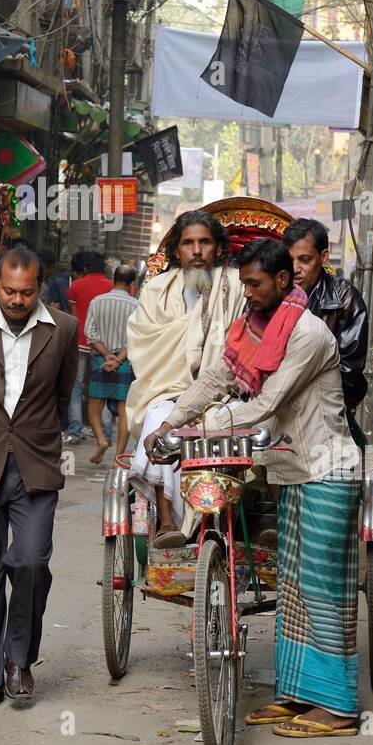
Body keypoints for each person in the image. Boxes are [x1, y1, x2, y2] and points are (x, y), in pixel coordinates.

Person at [145, 238, 360, 737]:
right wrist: (171, 422)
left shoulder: (306, 335)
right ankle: (301, 695)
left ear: (283, 281)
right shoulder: (250, 329)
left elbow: (266, 402)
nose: (247, 291)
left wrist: (198, 429)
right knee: (293, 588)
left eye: (255, 283)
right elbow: (214, 379)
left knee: (324, 591)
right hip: (292, 471)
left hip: (328, 471)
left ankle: (340, 708)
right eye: (242, 282)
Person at [0, 246, 78, 706]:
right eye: (8, 291)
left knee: (28, 562)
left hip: (36, 465)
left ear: (40, 287)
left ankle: (18, 658)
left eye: (26, 292)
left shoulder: (63, 329)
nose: (17, 300)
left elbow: (63, 394)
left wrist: (34, 433)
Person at [126, 210, 243, 546]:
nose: (196, 251)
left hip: (224, 394)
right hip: (165, 389)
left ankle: (232, 517)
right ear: (176, 251)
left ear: (217, 247)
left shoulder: (236, 286)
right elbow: (144, 343)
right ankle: (167, 522)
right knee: (160, 421)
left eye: (204, 242)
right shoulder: (156, 290)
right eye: (188, 243)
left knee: (227, 425)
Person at [282, 217, 368, 439]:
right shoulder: (273, 295)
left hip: (326, 413)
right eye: (290, 260)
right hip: (277, 409)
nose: (296, 269)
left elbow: (349, 372)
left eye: (305, 260)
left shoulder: (345, 298)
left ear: (324, 257)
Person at [84, 263, 138, 463]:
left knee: (94, 406)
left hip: (101, 359)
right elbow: (137, 337)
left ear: (114, 279)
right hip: (125, 362)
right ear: (132, 283)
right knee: (125, 411)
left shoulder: (97, 302)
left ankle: (101, 440)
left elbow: (90, 333)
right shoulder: (136, 305)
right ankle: (119, 456)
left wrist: (107, 355)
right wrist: (119, 358)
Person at [65, 250, 113, 445]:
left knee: (75, 387)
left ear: (85, 268)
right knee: (104, 389)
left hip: (79, 343)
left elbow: (73, 316)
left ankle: (75, 431)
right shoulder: (112, 286)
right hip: (103, 347)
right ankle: (106, 433)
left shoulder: (76, 286)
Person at [41, 248, 70, 313]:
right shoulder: (43, 288)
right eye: (52, 267)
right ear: (46, 266)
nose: (52, 271)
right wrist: (52, 309)